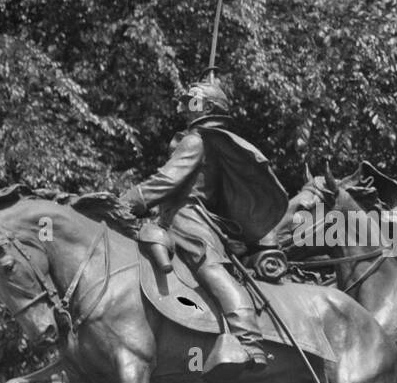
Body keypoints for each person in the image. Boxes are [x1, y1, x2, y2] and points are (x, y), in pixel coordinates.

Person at [119, 76, 288, 365]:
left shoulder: (195, 141)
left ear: (207, 107)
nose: (185, 107)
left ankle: (249, 342)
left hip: (189, 222)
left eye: (192, 101)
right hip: (167, 219)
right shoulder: (194, 138)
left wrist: (125, 202)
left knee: (211, 271)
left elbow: (165, 182)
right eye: (186, 101)